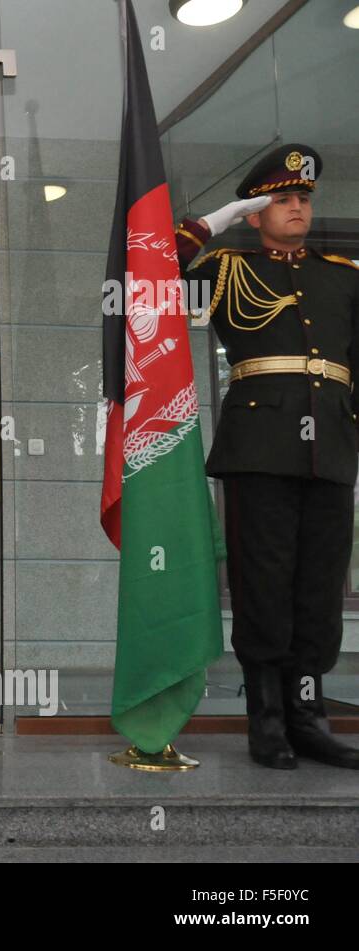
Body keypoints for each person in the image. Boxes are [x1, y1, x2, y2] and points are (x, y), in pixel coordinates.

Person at [177, 143, 359, 770]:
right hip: (260, 450)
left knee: (318, 593)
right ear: (256, 212)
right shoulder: (230, 269)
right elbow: (142, 290)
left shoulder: (343, 276)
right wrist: (212, 223)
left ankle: (310, 718)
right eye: (282, 200)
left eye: (304, 199)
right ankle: (269, 723)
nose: (297, 209)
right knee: (265, 588)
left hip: (331, 450)